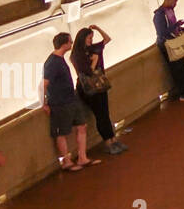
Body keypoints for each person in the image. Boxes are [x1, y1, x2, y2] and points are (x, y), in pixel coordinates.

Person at [43, 32, 97, 171]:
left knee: (81, 125)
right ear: (64, 43)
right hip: (60, 102)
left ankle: (82, 157)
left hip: (71, 99)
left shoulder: (59, 60)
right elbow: (44, 84)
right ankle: (66, 161)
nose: (72, 43)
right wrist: (44, 103)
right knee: (62, 132)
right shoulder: (52, 63)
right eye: (70, 41)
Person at [70, 26, 127, 156]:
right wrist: (95, 60)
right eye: (89, 38)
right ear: (83, 38)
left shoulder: (91, 49)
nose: (91, 40)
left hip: (99, 84)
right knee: (100, 114)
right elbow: (88, 71)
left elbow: (107, 39)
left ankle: (113, 139)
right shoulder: (77, 55)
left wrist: (97, 28)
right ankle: (108, 142)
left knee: (105, 113)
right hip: (89, 88)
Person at [153, 0, 184, 101]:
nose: (175, 4)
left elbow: (172, 27)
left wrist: (182, 28)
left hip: (175, 41)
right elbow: (162, 31)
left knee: (181, 67)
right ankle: (183, 93)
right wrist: (177, 25)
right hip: (167, 44)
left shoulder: (170, 11)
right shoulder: (159, 15)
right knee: (176, 69)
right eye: (174, 1)